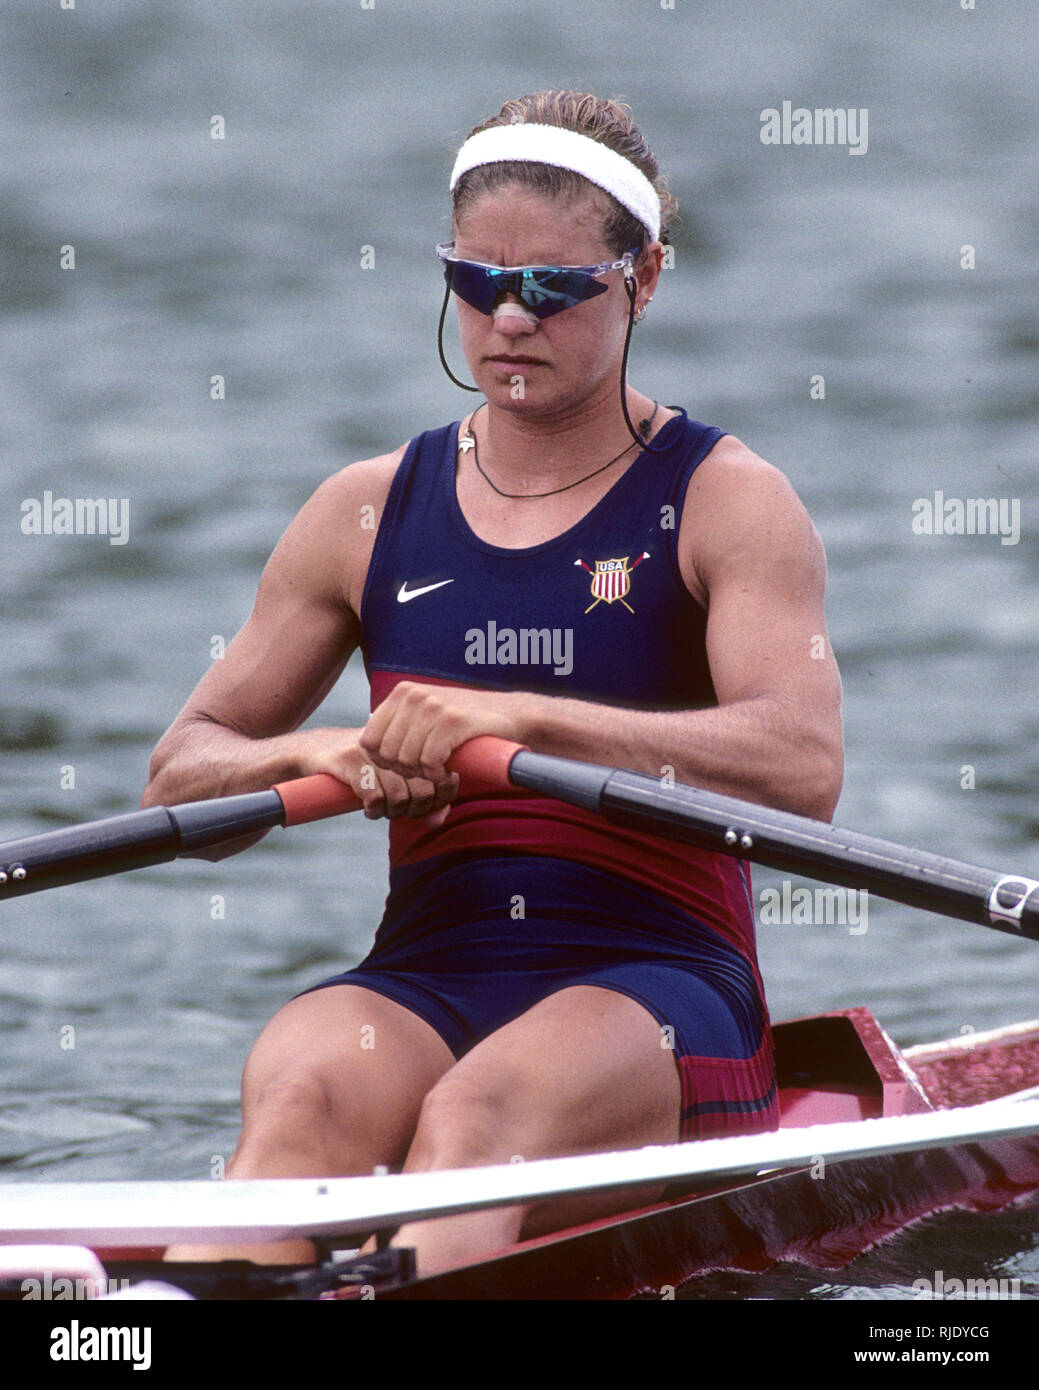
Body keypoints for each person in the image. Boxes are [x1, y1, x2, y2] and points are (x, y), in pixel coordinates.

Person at [144, 90, 843, 1276]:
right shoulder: (363, 510)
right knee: (300, 1100)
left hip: (657, 980)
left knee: (478, 1119)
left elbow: (804, 770)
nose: (510, 317)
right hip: (426, 970)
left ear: (646, 277)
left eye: (556, 288)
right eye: (477, 282)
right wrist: (304, 755)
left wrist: (514, 717)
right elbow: (183, 772)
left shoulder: (727, 500)